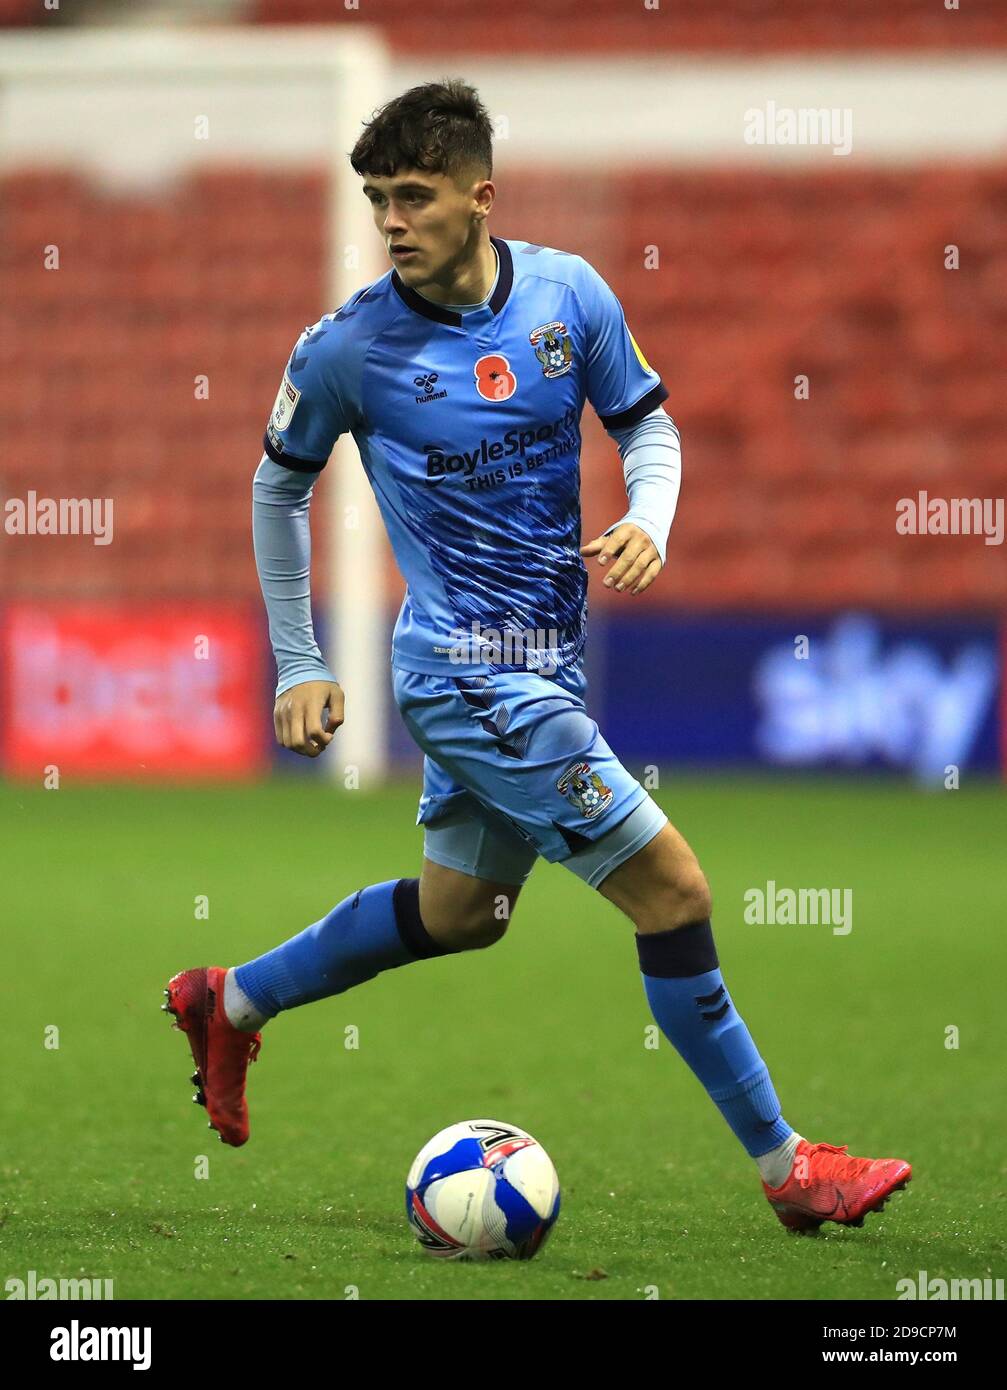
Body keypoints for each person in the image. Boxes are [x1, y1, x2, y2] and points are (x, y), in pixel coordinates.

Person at [165, 80, 910, 1233]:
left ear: (480, 196)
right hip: (466, 674)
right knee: (673, 889)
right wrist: (298, 657)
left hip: (546, 660)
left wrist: (651, 517)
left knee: (462, 912)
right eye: (377, 200)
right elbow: (278, 483)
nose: (391, 220)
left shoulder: (568, 294)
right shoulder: (348, 347)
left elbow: (646, 420)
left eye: (414, 196)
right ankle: (788, 1170)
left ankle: (233, 997)